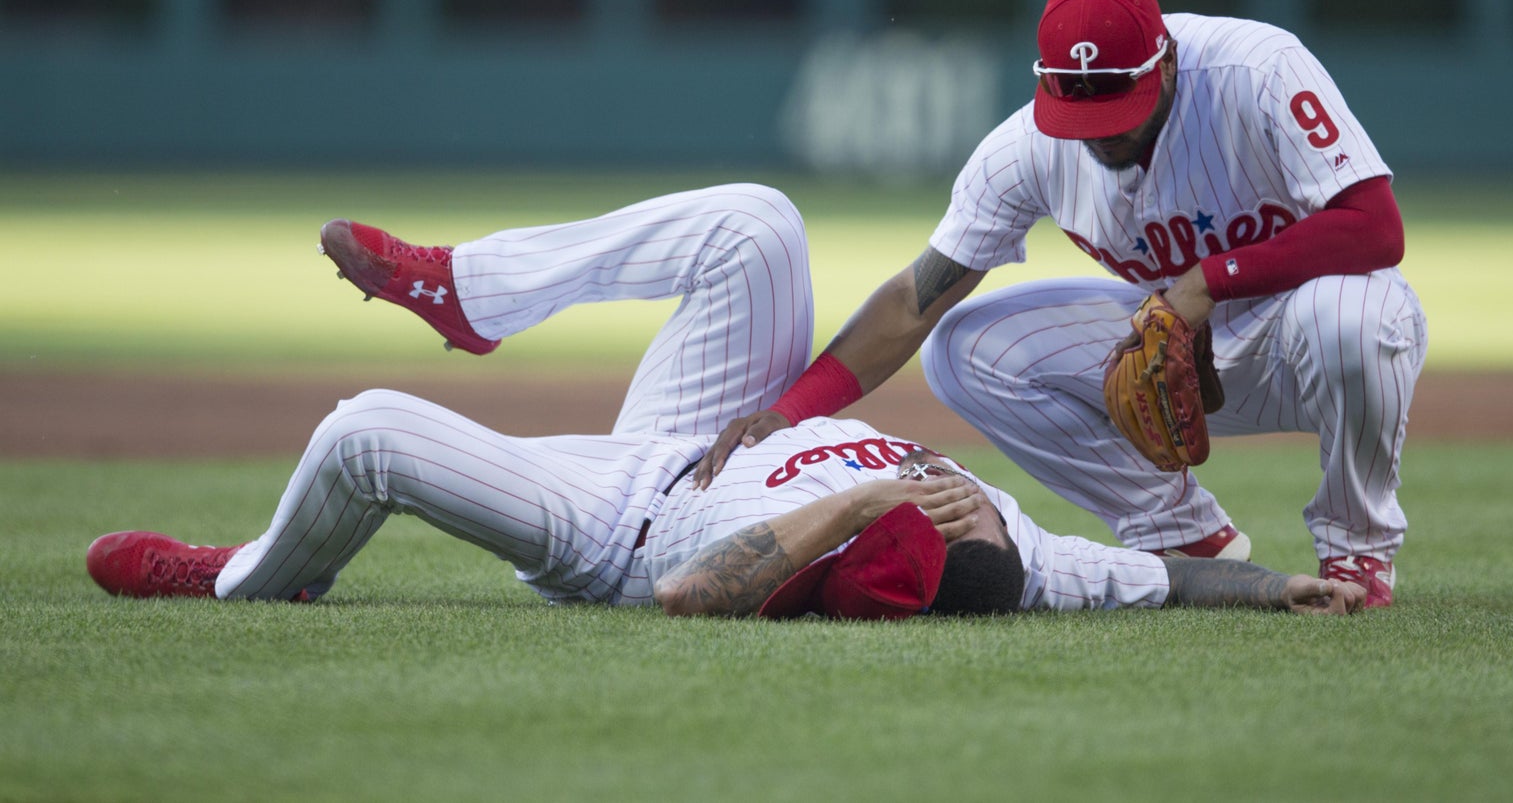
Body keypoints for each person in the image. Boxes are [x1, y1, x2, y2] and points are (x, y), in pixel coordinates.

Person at [86, 184, 1364, 617]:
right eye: (964, 514)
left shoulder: (852, 543)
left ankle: (249, 576)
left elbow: (690, 595)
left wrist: (857, 503)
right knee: (757, 223)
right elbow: (1162, 578)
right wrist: (1280, 586)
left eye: (938, 521)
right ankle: (470, 290)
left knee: (364, 428)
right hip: (716, 427)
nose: (957, 503)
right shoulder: (1029, 558)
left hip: (619, 521)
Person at [701, 0, 1429, 609]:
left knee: (1352, 318)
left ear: (1166, 62)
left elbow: (1375, 227)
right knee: (962, 348)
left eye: (1115, 103)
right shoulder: (1024, 150)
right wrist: (789, 411)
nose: (1099, 132)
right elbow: (913, 303)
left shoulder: (1258, 68)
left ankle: (1356, 546)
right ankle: (1182, 534)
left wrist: (1209, 281)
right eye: (1076, 105)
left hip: (1305, 341)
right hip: (1176, 342)